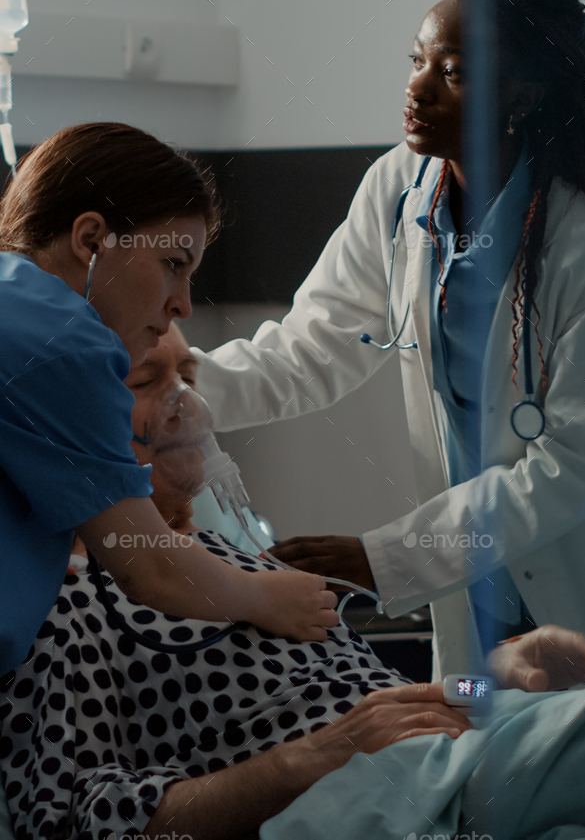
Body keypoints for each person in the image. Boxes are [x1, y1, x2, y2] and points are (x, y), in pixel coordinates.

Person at [2, 323, 585, 840]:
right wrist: (309, 759)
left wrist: (494, 687)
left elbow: (382, 704)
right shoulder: (65, 598)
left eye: (186, 373)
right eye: (143, 382)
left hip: (442, 760)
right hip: (368, 796)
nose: (186, 402)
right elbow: (74, 817)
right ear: (71, 427)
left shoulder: (238, 563)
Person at [190, 0, 585, 677]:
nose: (418, 86)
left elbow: (571, 465)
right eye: (417, 59)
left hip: (571, 572)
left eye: (454, 71)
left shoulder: (577, 235)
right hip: (474, 591)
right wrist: (170, 392)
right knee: (480, 769)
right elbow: (313, 346)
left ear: (520, 98)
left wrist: (384, 559)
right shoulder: (397, 190)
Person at [0, 123, 338, 679]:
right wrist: (270, 599)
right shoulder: (66, 341)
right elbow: (149, 566)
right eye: (174, 265)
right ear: (91, 240)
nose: (182, 305)